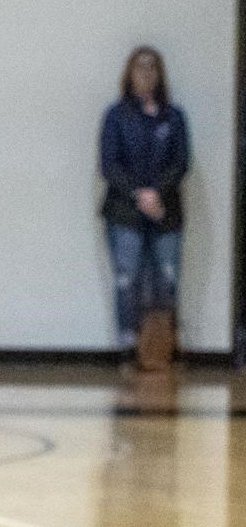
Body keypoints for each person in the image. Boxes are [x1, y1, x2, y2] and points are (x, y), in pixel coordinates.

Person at [99, 46, 189, 369]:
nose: (146, 74)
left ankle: (166, 347)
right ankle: (128, 348)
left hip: (166, 214)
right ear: (129, 73)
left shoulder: (174, 116)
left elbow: (181, 163)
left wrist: (157, 194)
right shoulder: (116, 116)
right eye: (140, 68)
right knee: (128, 278)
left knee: (167, 279)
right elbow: (109, 165)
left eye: (152, 68)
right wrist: (140, 195)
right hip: (125, 212)